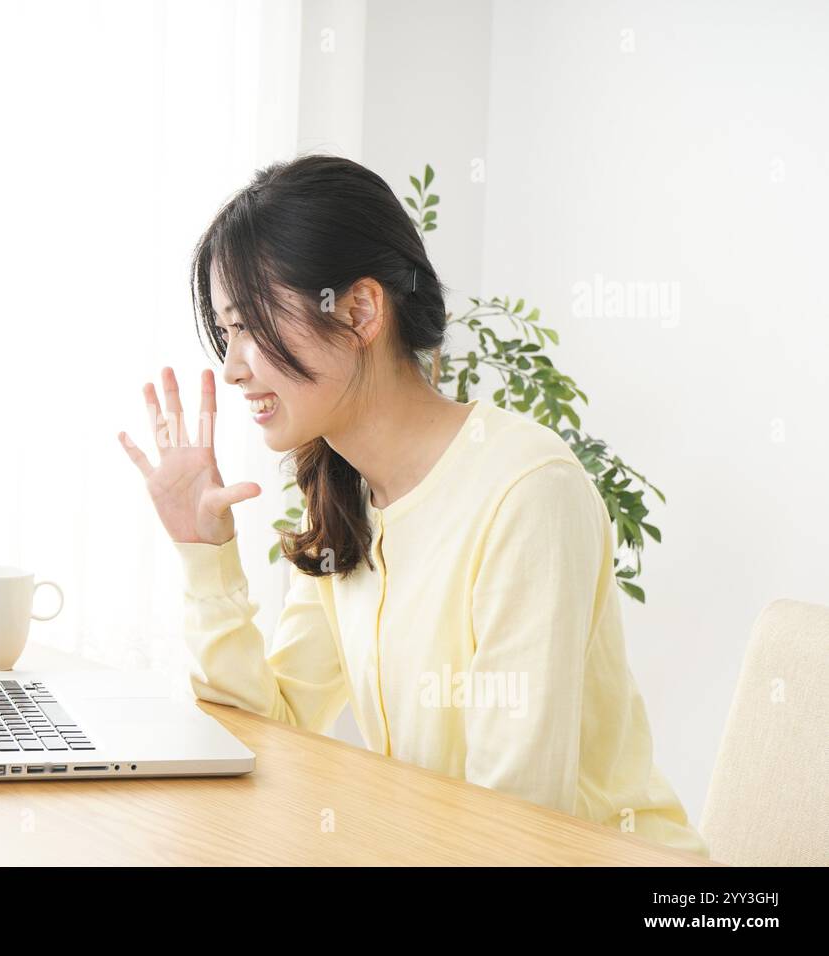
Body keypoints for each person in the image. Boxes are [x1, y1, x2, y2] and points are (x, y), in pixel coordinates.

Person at [117, 154, 707, 857]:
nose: (232, 364)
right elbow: (271, 730)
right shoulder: (346, 497)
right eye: (226, 330)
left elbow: (513, 826)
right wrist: (207, 557)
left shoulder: (526, 491)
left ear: (361, 310)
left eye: (251, 325)